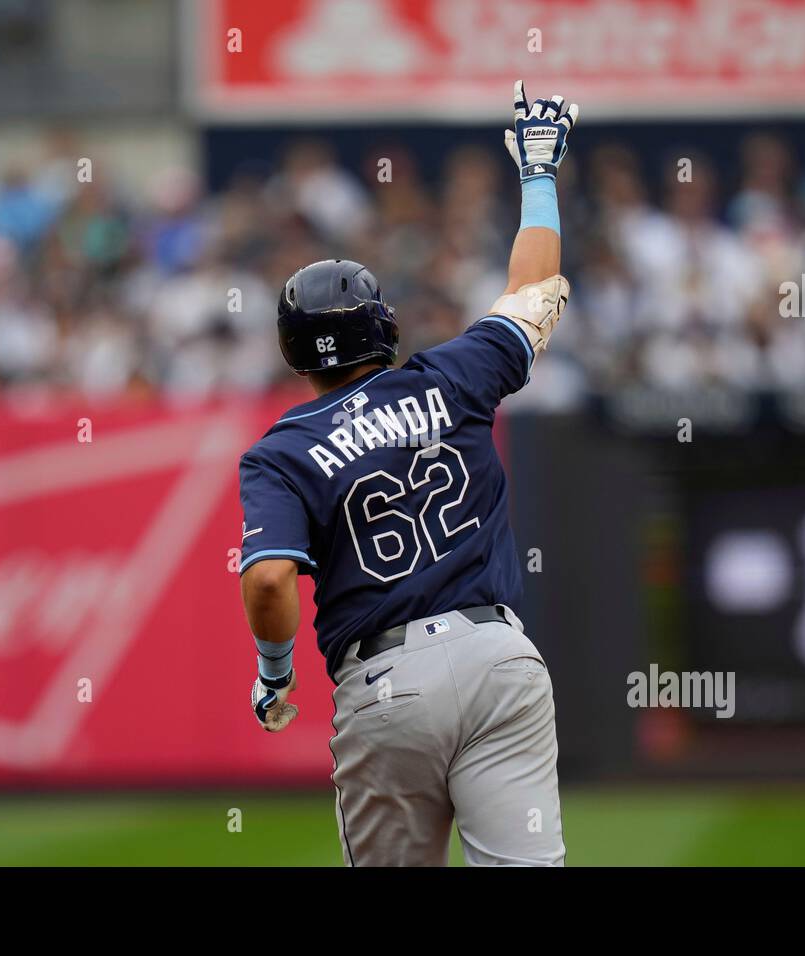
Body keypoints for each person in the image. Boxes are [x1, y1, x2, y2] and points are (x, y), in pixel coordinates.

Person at [236, 82, 577, 866]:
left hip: (386, 684)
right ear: (379, 325)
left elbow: (266, 582)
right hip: (498, 657)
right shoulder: (447, 376)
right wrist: (536, 174)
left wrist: (274, 673)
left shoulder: (280, 452)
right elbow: (534, 292)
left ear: (292, 349)